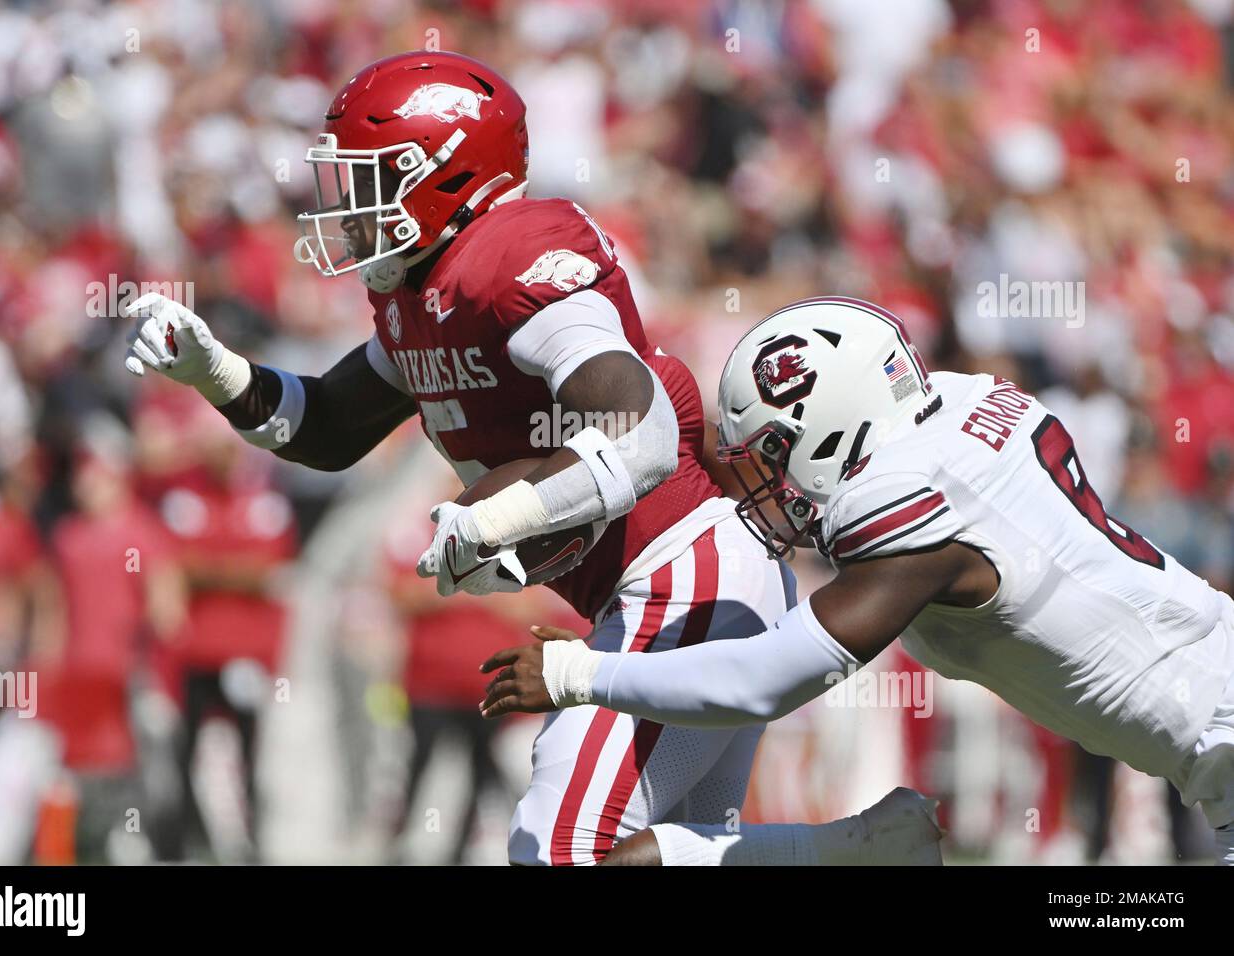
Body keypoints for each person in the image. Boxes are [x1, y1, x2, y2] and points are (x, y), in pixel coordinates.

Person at [121, 53, 938, 865]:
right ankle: (857, 853)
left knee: (556, 848)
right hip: (670, 584)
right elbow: (327, 429)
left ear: (441, 174)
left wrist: (495, 519)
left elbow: (640, 434)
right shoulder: (420, 296)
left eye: (368, 180)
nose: (347, 209)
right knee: (639, 856)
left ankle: (851, 854)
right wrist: (214, 372)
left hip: (682, 574)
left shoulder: (510, 259)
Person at [481, 296, 1234, 867]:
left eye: (775, 453)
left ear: (832, 424)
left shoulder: (912, 510)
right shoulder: (963, 407)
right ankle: (856, 848)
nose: (769, 485)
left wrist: (581, 673)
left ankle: (856, 850)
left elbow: (761, 681)